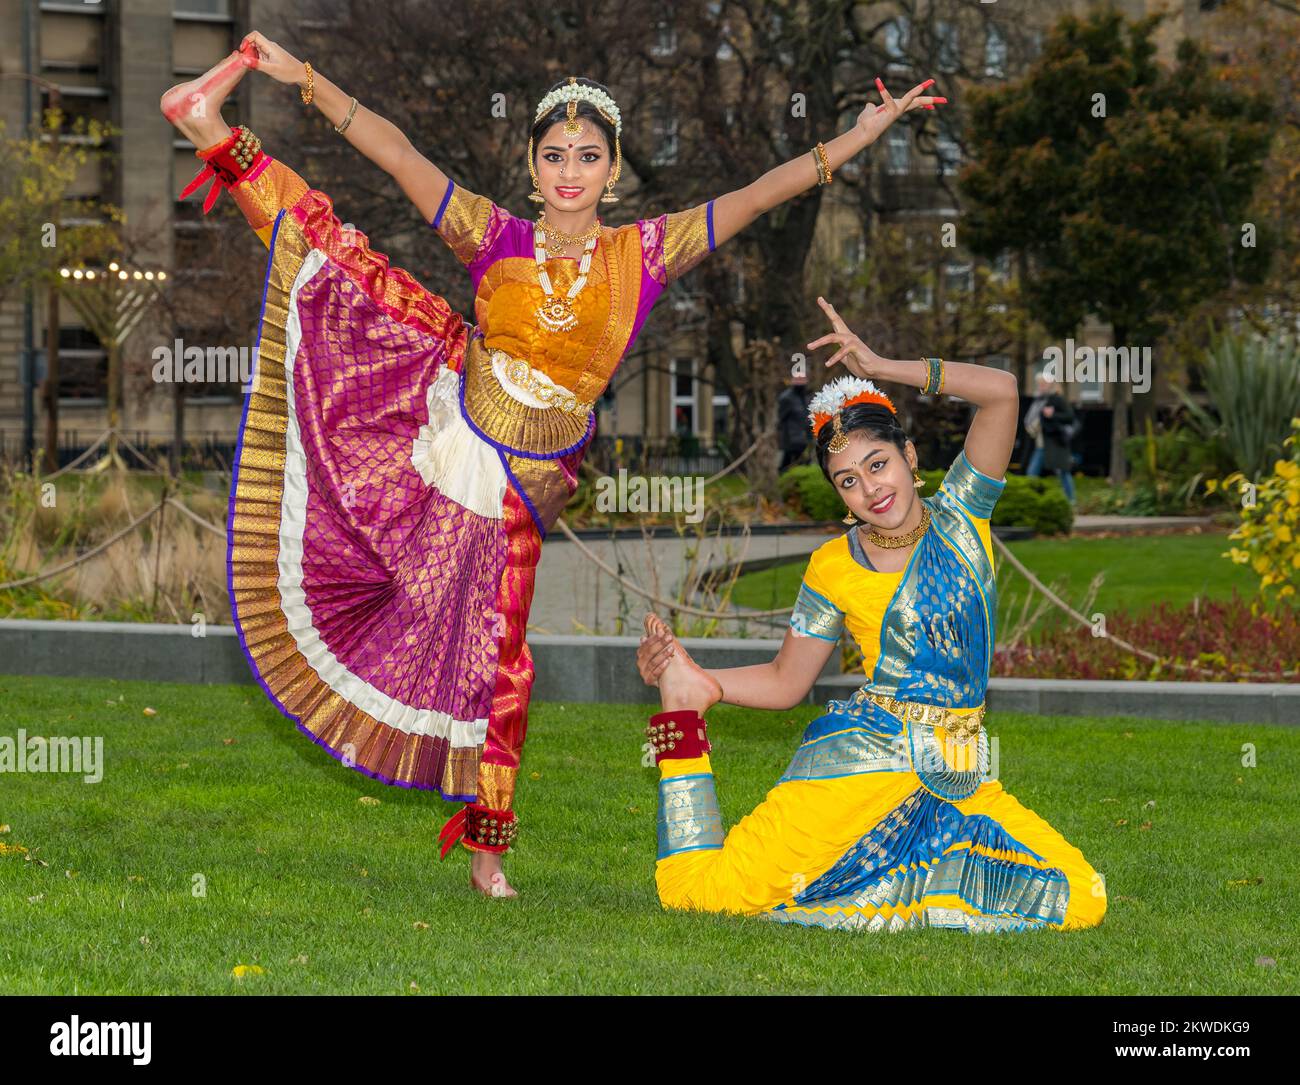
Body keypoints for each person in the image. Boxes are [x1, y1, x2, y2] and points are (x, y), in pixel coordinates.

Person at [160, 37, 948, 898]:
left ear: (611, 171)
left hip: (521, 486)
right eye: (553, 156)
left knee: (496, 654)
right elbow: (397, 154)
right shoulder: (489, 231)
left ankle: (486, 853)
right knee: (344, 268)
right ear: (533, 170)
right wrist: (304, 79)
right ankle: (212, 129)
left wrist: (862, 135)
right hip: (452, 423)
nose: (570, 171)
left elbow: (760, 193)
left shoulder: (644, 254)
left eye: (588, 156)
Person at [634, 297, 1106, 932]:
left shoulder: (962, 520)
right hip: (860, 761)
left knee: (1077, 897)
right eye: (847, 480)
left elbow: (1000, 393)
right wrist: (708, 684)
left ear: (909, 458)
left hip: (957, 776)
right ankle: (683, 706)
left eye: (877, 464)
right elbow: (786, 681)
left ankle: (915, 880)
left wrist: (883, 365)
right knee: (704, 894)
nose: (870, 489)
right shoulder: (833, 564)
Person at [1025, 376, 1077, 504]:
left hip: (1056, 444)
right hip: (1041, 444)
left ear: (1051, 385)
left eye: (1044, 384)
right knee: (1032, 473)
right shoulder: (1038, 401)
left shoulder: (1057, 399)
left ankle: (1071, 501)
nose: (1041, 386)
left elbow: (1070, 417)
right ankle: (1030, 501)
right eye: (1040, 384)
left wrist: (1052, 414)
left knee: (1063, 472)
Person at [777, 373, 811, 471]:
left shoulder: (805, 396)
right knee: (787, 463)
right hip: (791, 439)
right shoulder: (786, 398)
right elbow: (781, 419)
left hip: (804, 438)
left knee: (804, 463)